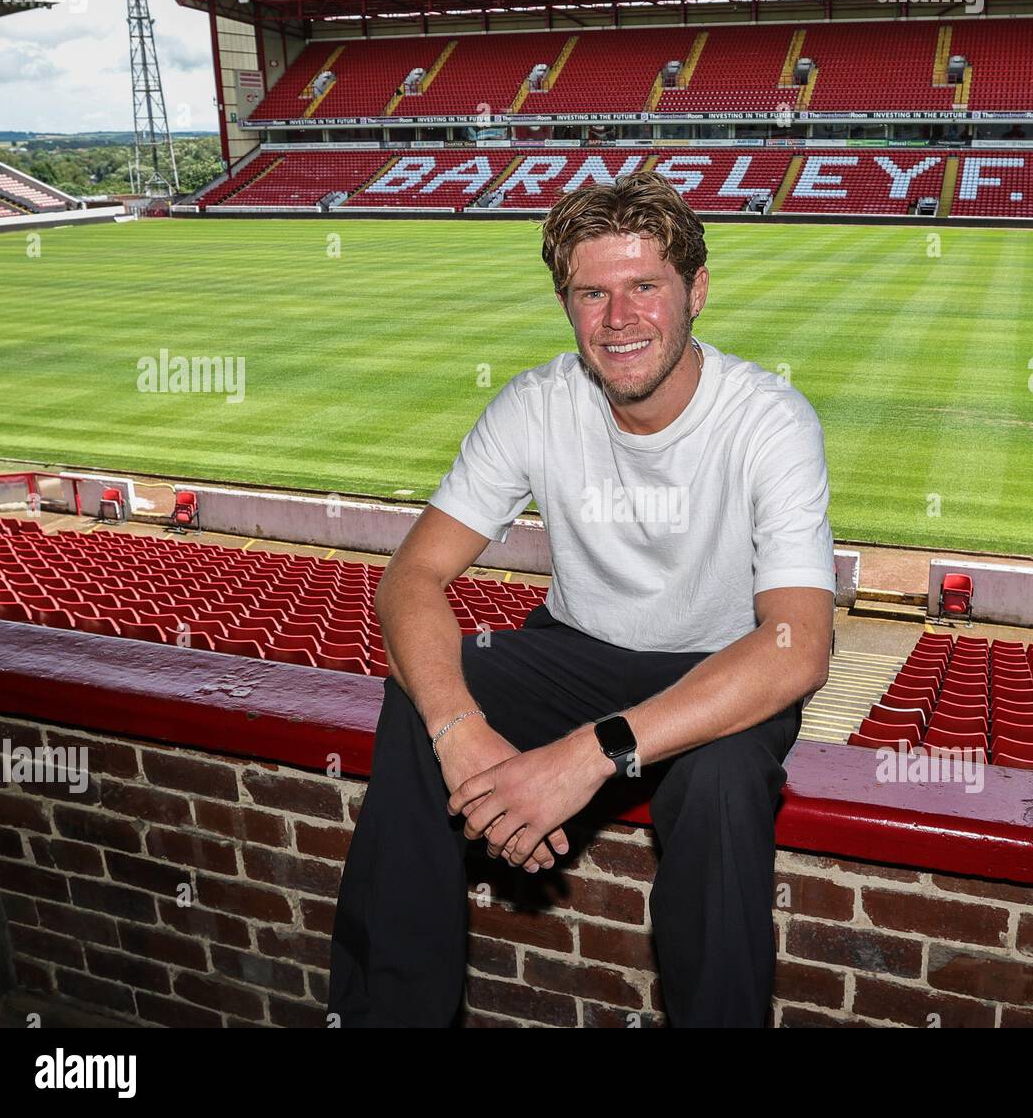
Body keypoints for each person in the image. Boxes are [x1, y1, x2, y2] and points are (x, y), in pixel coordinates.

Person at [328, 170, 836, 1028]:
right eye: (591, 294)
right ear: (567, 306)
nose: (619, 319)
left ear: (696, 292)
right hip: (578, 647)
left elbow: (798, 644)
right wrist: (460, 737)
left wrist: (586, 758)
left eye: (645, 287)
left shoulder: (768, 419)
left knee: (721, 784)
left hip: (722, 665)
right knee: (422, 696)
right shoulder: (537, 403)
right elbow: (411, 578)